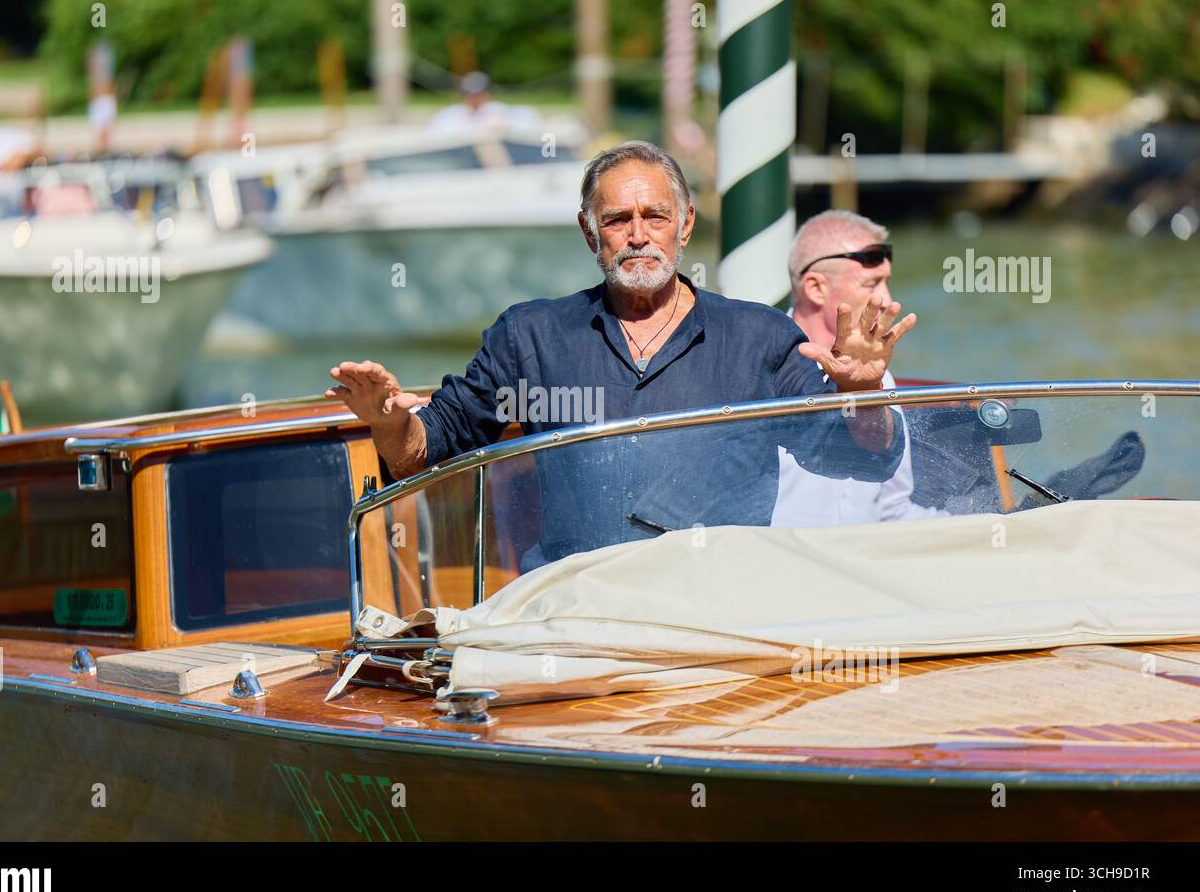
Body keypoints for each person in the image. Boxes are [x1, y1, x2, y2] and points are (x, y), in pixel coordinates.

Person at [329, 141, 917, 566]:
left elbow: (856, 458)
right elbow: (425, 453)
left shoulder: (759, 338)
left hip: (719, 614)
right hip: (576, 619)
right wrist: (390, 421)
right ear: (590, 233)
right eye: (617, 219)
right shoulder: (529, 338)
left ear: (684, 226)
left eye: (655, 216)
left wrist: (862, 394)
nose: (638, 235)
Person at [772, 210, 940, 526]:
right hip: (780, 566)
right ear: (815, 288)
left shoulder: (879, 377)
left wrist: (988, 529)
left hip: (868, 565)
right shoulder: (760, 365)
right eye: (871, 283)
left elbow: (893, 510)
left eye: (886, 282)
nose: (888, 299)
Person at [427, 71, 540, 133]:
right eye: (470, 95)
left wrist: (504, 127)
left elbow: (529, 117)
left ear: (486, 95)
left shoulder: (498, 110)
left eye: (477, 95)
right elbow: (437, 132)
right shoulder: (451, 115)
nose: (474, 99)